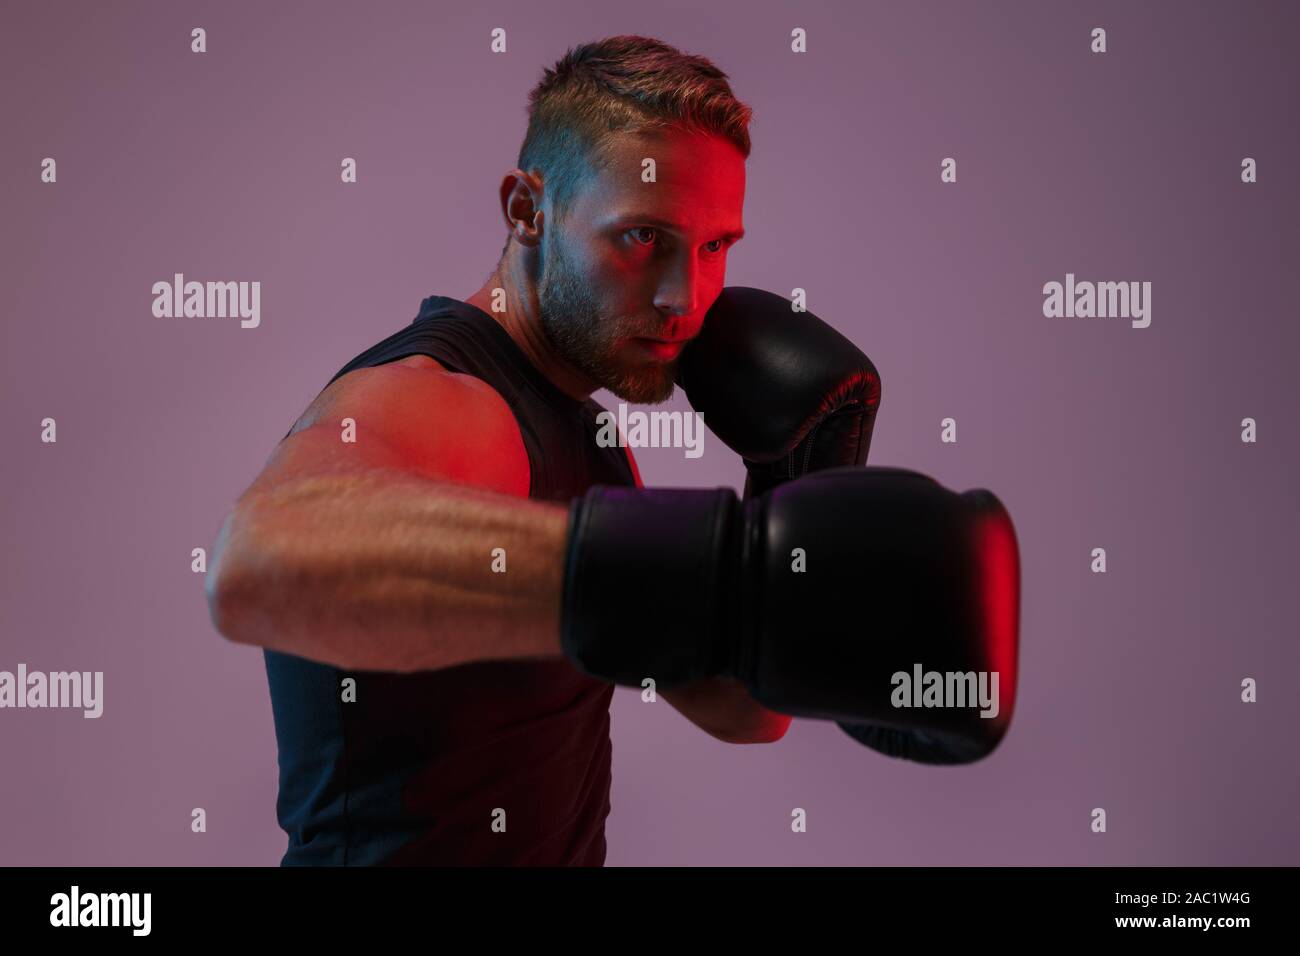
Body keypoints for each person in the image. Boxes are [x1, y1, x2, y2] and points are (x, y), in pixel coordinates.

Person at [205, 35, 1017, 867]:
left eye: (714, 247)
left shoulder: (585, 431)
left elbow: (743, 713)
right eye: (642, 239)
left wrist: (787, 503)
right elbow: (253, 567)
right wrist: (716, 574)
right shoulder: (442, 396)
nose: (685, 299)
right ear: (528, 210)